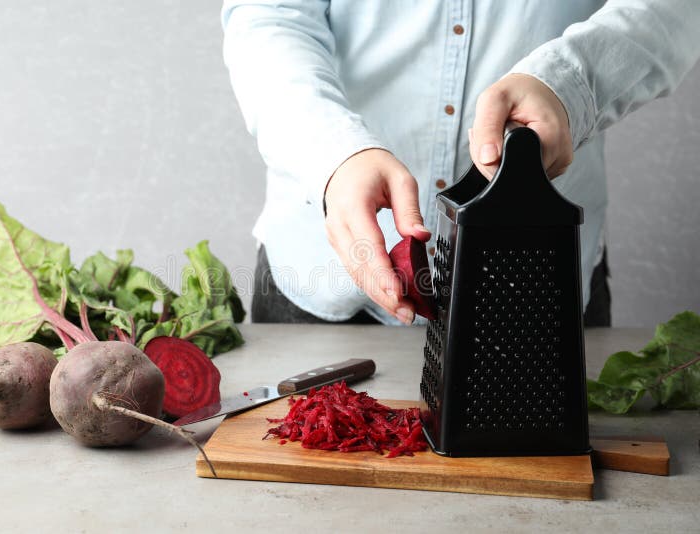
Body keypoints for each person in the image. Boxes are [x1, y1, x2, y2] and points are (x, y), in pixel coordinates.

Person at [221, 0, 700, 326]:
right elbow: (270, 15)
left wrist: (571, 85)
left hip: (535, 290)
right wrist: (333, 151)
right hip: (318, 278)